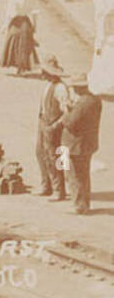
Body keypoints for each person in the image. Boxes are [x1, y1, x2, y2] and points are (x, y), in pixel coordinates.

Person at [51, 75, 101, 215]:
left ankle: (79, 205)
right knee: (84, 175)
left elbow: (71, 123)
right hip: (88, 143)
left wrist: (66, 111)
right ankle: (85, 203)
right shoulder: (95, 100)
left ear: (78, 88)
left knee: (74, 175)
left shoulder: (82, 103)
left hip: (76, 145)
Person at [34, 55, 68, 201]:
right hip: (43, 122)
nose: (41, 73)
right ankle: (45, 185)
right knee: (40, 153)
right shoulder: (48, 84)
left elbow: (66, 112)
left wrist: (55, 125)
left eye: (44, 71)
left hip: (53, 126)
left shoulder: (60, 88)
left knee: (54, 157)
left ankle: (59, 190)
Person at [0, 0, 39, 75]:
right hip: (26, 22)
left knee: (13, 42)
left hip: (16, 22)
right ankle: (23, 66)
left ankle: (15, 64)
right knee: (25, 44)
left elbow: (10, 14)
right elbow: (34, 13)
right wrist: (34, 26)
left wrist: (5, 25)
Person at [89, 0, 114, 96]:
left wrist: (98, 46)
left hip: (106, 45)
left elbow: (101, 35)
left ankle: (106, 86)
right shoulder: (108, 17)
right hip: (110, 44)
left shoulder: (103, 19)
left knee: (104, 66)